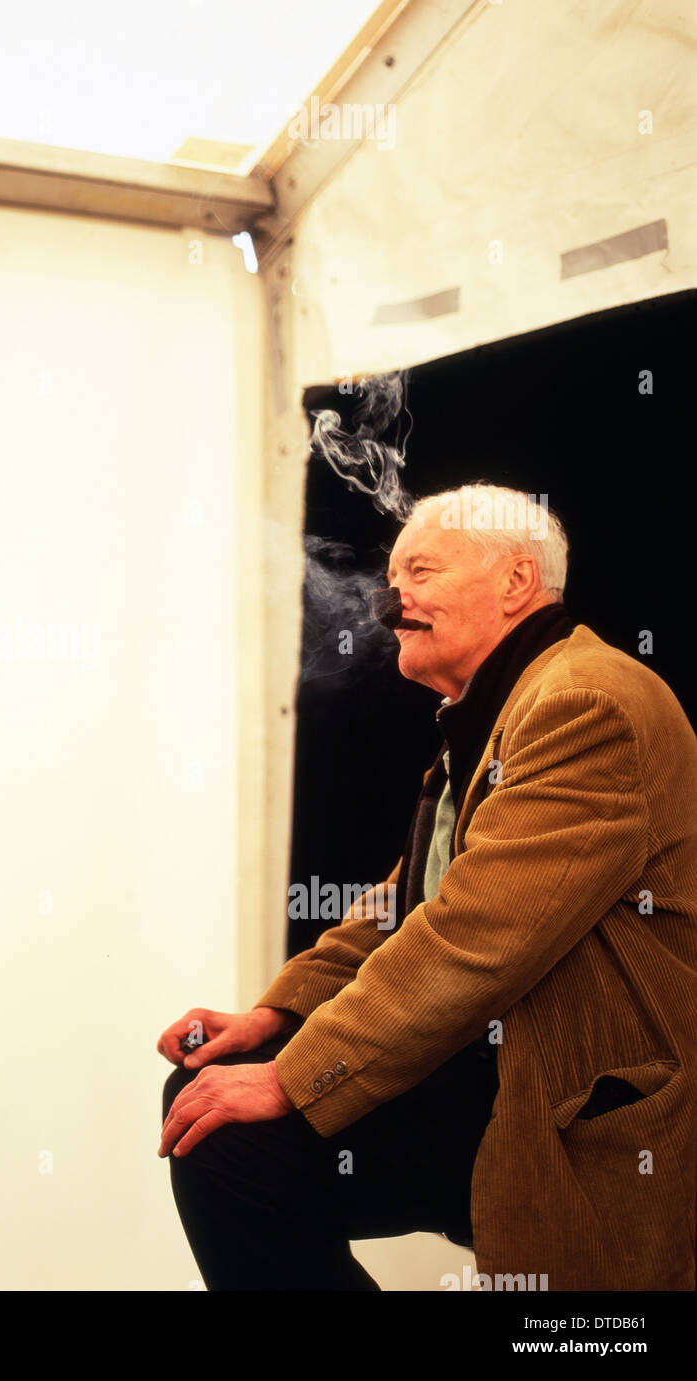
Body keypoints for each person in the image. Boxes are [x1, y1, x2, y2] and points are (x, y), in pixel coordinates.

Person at [157, 485, 697, 1290]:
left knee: (234, 1143)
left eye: (421, 570)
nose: (389, 595)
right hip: (491, 1072)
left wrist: (291, 1075)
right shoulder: (500, 708)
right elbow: (409, 899)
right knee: (208, 1109)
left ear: (516, 582)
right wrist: (277, 1015)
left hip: (573, 1097)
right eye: (391, 572)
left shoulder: (581, 705)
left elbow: (472, 935)